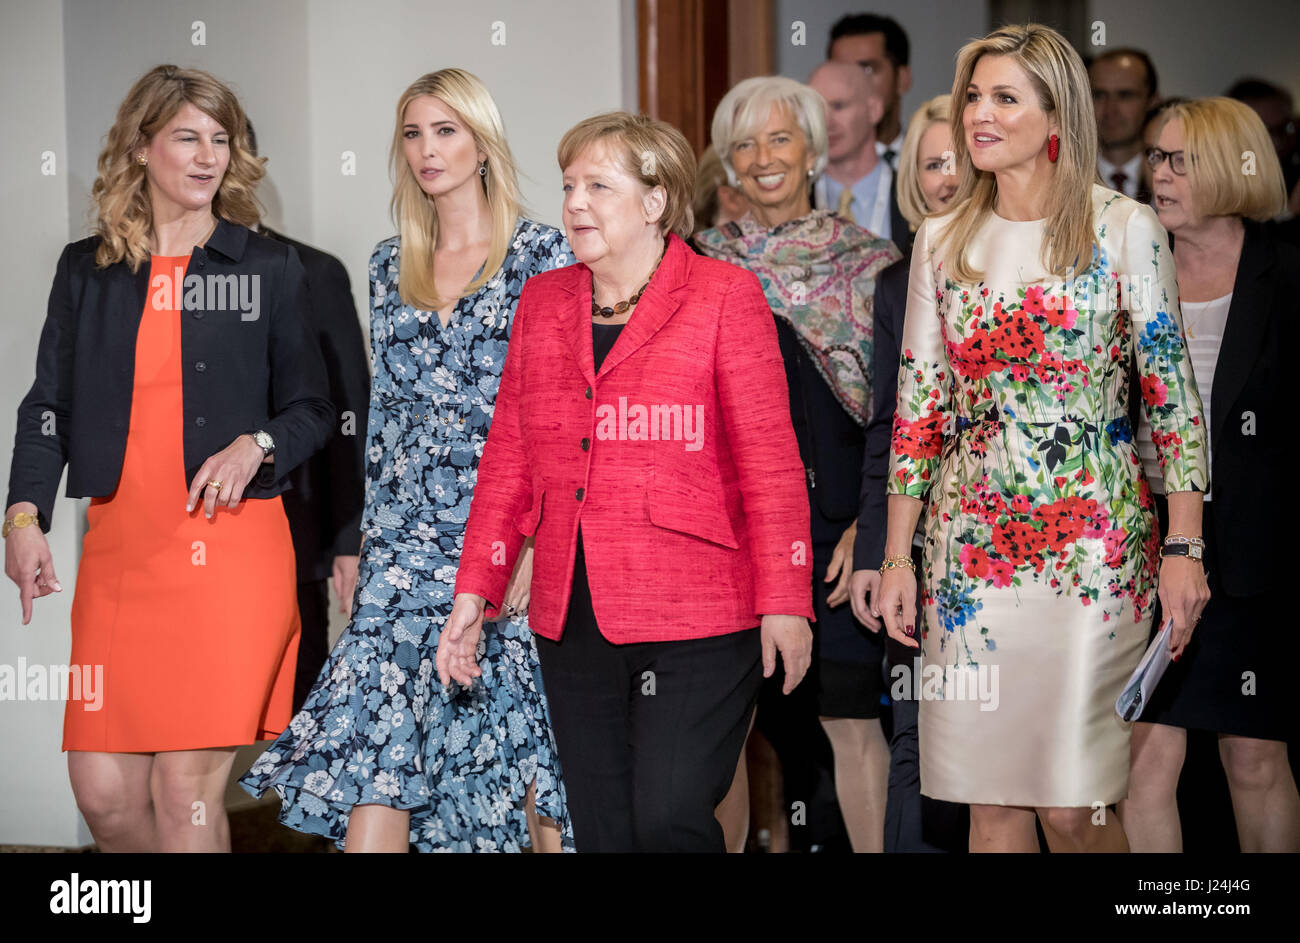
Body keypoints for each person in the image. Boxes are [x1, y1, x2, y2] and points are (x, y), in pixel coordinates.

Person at [439, 111, 815, 853]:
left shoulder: (723, 296)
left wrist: (786, 602)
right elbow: (509, 458)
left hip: (702, 614)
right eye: (570, 185)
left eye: (598, 186)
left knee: (668, 815)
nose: (575, 202)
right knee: (605, 831)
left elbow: (770, 463)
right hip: (573, 613)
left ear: (655, 201)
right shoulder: (544, 302)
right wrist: (472, 592)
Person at [874, 24, 1210, 853]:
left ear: (1057, 114)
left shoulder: (1125, 229)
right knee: (990, 802)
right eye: (973, 98)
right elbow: (918, 407)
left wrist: (1187, 545)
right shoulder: (943, 240)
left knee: (1074, 805)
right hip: (967, 555)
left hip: (1092, 552)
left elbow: (1173, 400)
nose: (979, 115)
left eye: (1004, 98)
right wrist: (896, 557)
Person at [239, 68, 572, 853]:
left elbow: (559, 417)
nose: (428, 150)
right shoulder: (391, 264)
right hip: (405, 543)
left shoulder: (544, 255)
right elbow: (383, 420)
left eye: (446, 130)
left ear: (483, 142)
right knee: (380, 748)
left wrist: (538, 538)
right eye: (414, 134)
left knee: (523, 747)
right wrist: (360, 537)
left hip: (502, 532)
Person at [3, 64, 334, 852]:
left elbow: (314, 410)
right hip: (123, 556)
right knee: (106, 796)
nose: (207, 155)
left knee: (185, 793)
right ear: (142, 146)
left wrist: (256, 444)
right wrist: (23, 514)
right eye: (187, 136)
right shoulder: (89, 272)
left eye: (221, 140)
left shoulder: (265, 268)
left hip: (229, 555)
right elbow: (47, 403)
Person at [695, 75, 900, 852]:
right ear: (728, 165)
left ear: (814, 150)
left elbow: (898, 413)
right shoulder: (700, 265)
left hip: (839, 532)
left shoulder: (874, 263)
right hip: (732, 535)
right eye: (744, 144)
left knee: (850, 728)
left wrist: (869, 525)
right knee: (726, 737)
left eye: (780, 138)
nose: (763, 157)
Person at [1119, 97, 1300, 853]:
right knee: (1145, 758)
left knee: (1253, 755)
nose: (1158, 173)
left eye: (1178, 159)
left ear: (1230, 167)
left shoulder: (1286, 268)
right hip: (1149, 539)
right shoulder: (1131, 257)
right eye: (1155, 157)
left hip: (1259, 552)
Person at [848, 93, 968, 853]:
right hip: (917, 546)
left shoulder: (1059, 263)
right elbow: (888, 426)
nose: (948, 176)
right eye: (932, 163)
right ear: (914, 181)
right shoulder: (896, 285)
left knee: (1023, 771)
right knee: (914, 741)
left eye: (960, 157)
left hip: (1028, 547)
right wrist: (876, 552)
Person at [246, 119, 370, 713]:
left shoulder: (315, 272)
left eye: (225, 145)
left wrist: (350, 536)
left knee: (302, 717)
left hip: (296, 537)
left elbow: (350, 413)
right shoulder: (148, 276)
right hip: (178, 544)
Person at [809, 61, 908, 249]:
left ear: (874, 109)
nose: (826, 121)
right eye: (815, 109)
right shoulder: (796, 199)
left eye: (838, 106)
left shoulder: (912, 195)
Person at [827, 13, 912, 171]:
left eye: (867, 69)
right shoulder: (811, 174)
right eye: (841, 72)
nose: (853, 83)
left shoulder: (941, 163)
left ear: (902, 79)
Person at [1089, 48, 1160, 203]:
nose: (1110, 110)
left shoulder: (1172, 178)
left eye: (1125, 95)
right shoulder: (1066, 179)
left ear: (1152, 101)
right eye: (1099, 95)